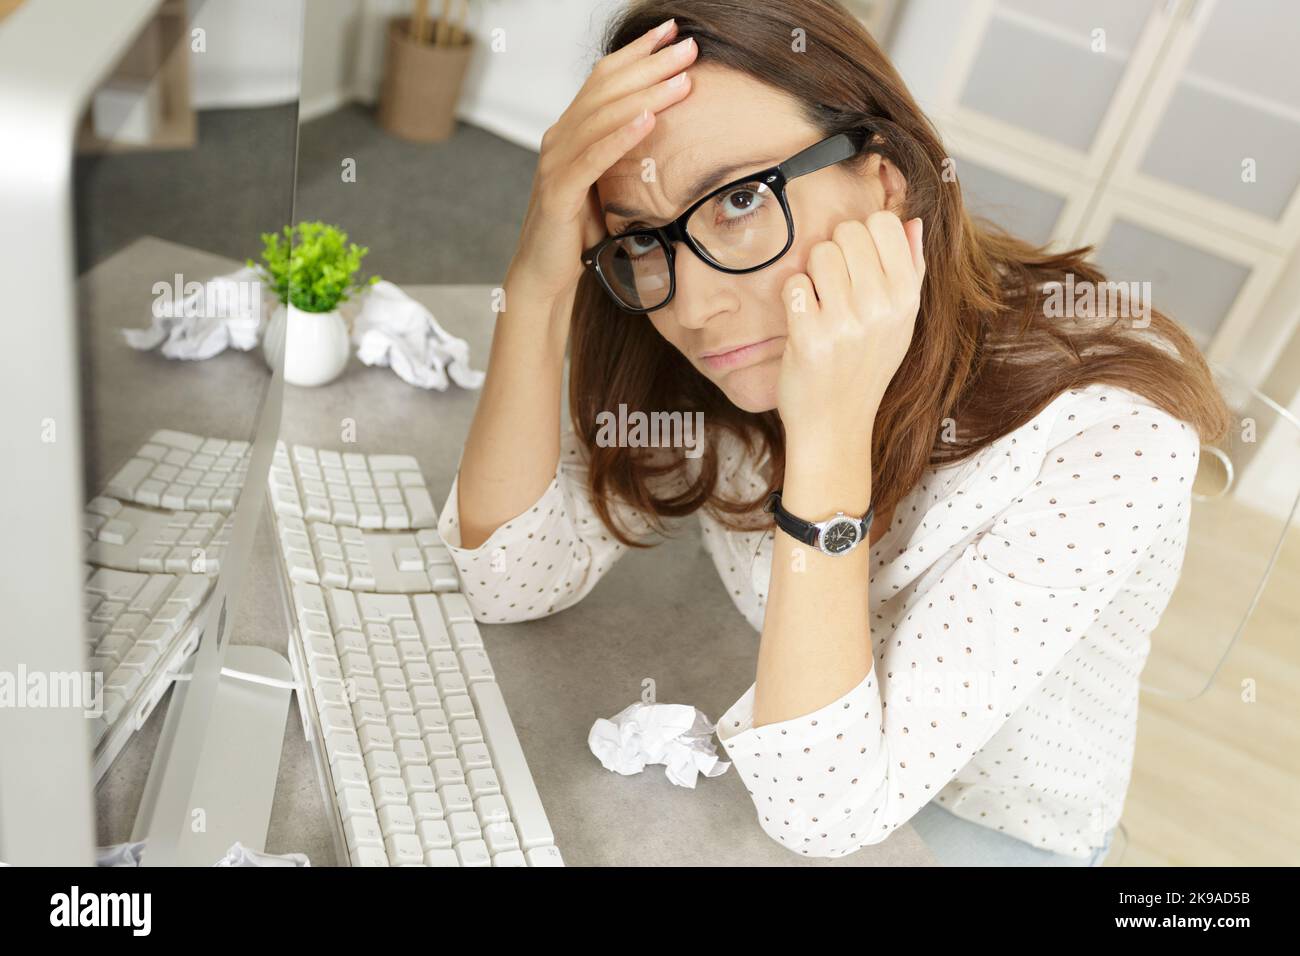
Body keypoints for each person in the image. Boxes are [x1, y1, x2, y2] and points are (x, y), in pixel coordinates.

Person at [436, 0, 1229, 865]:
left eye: (740, 199)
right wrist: (541, 275)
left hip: (992, 838)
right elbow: (505, 580)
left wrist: (830, 428)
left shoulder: (1109, 429)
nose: (697, 307)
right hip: (799, 739)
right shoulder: (698, 320)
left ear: (883, 179)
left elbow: (824, 817)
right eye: (641, 238)